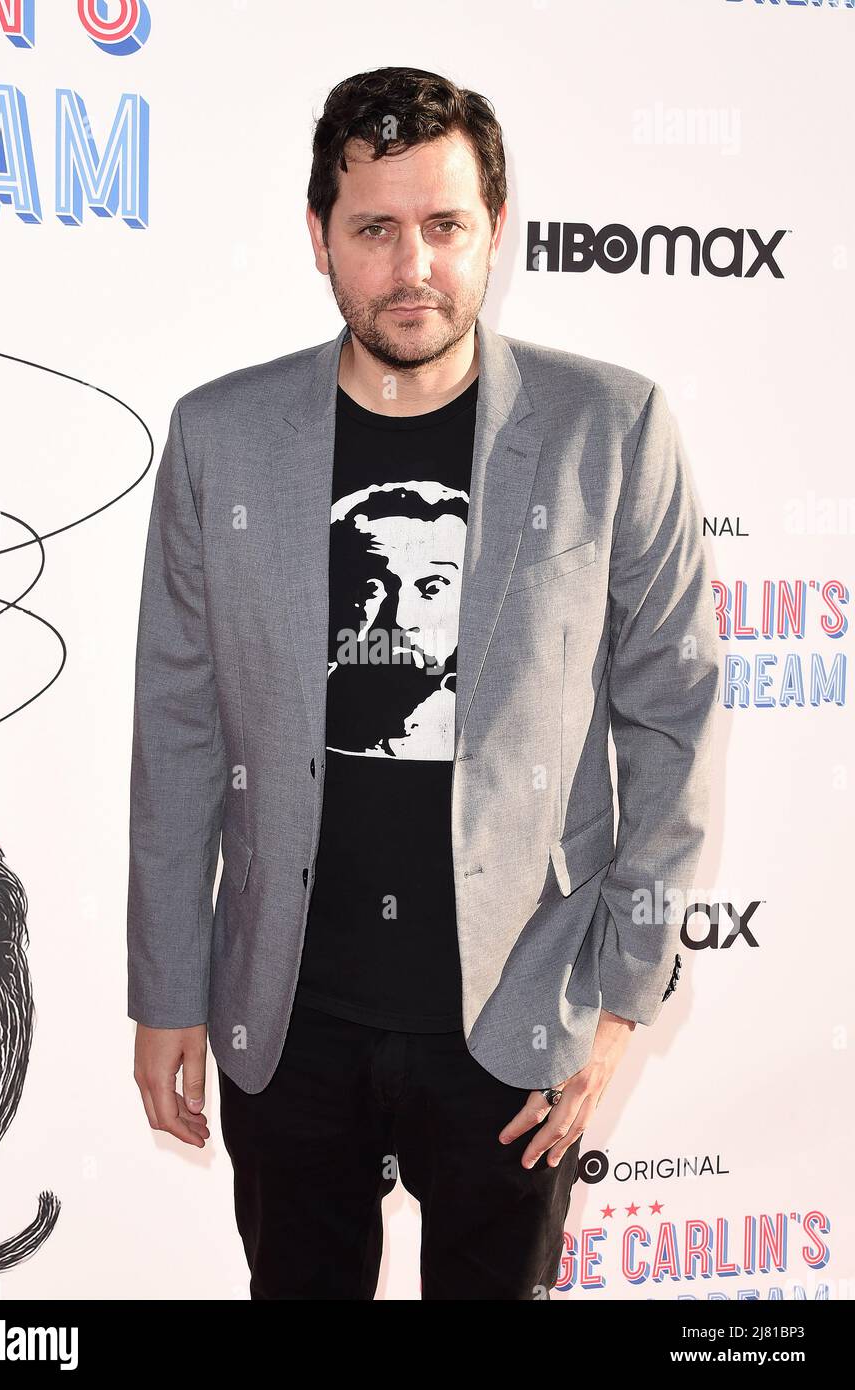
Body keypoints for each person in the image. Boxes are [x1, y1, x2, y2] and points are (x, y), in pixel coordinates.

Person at [127, 66, 720, 1300]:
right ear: (319, 239)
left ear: (494, 231)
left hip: (518, 1010)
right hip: (286, 1014)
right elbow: (178, 729)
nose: (414, 267)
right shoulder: (218, 438)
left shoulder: (612, 429)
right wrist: (168, 988)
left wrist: (618, 1003)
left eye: (445, 226)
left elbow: (673, 721)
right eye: (375, 229)